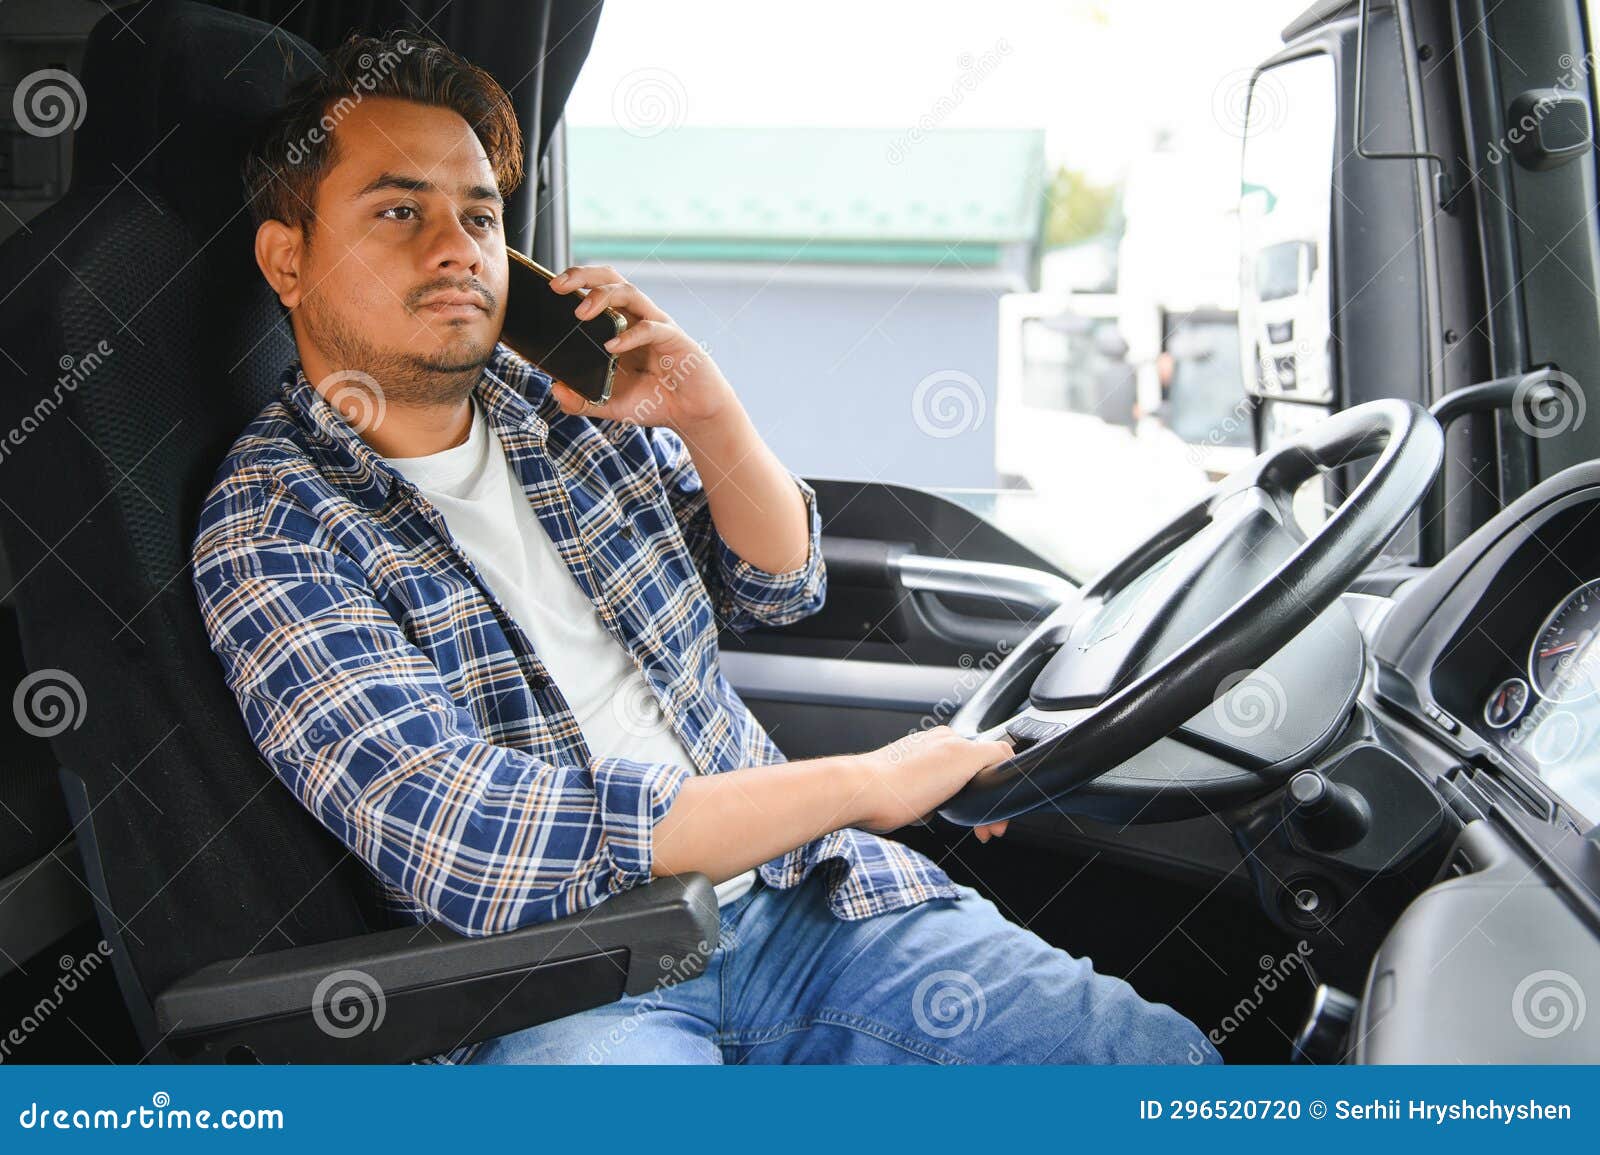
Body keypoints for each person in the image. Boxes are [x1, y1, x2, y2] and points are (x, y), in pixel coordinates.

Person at [191, 30, 1218, 1066]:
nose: (458, 248)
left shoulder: (562, 411)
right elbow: (473, 841)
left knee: (1154, 1068)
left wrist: (708, 414)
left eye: (481, 214)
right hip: (561, 982)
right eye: (399, 211)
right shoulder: (274, 523)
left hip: (799, 899)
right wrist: (867, 783)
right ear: (287, 258)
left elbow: (778, 587)